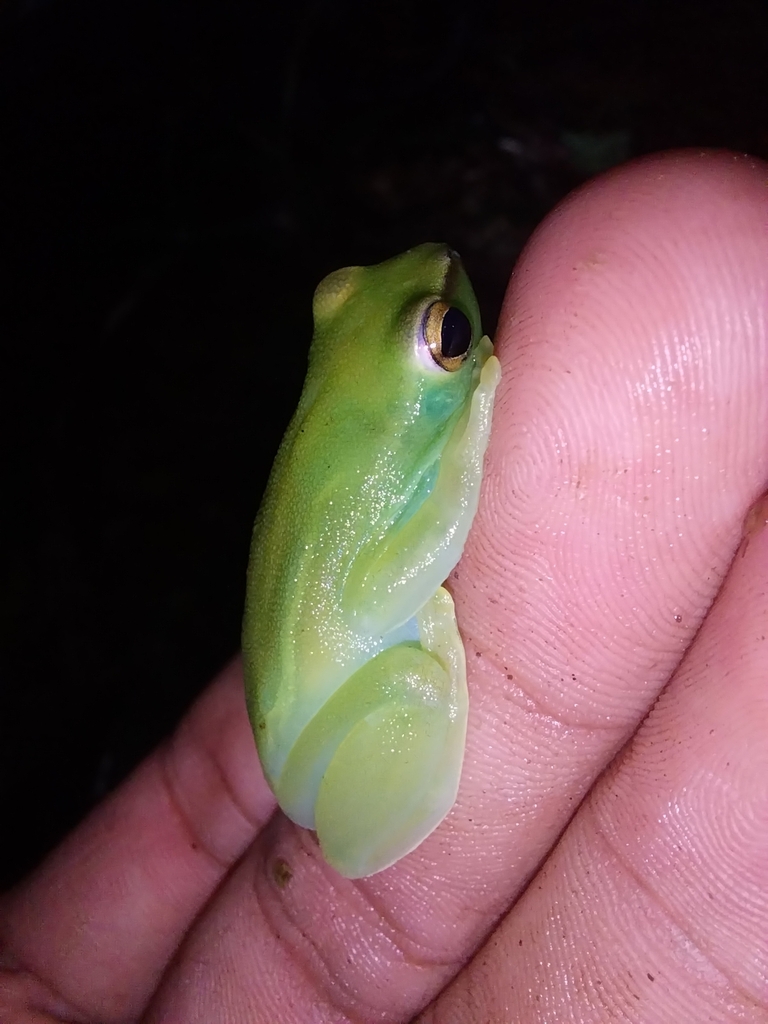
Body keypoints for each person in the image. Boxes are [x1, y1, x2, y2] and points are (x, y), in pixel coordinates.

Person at [2, 149, 766, 1023]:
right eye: (445, 337)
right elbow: (406, 567)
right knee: (408, 671)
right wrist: (470, 438)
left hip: (293, 701)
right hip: (335, 708)